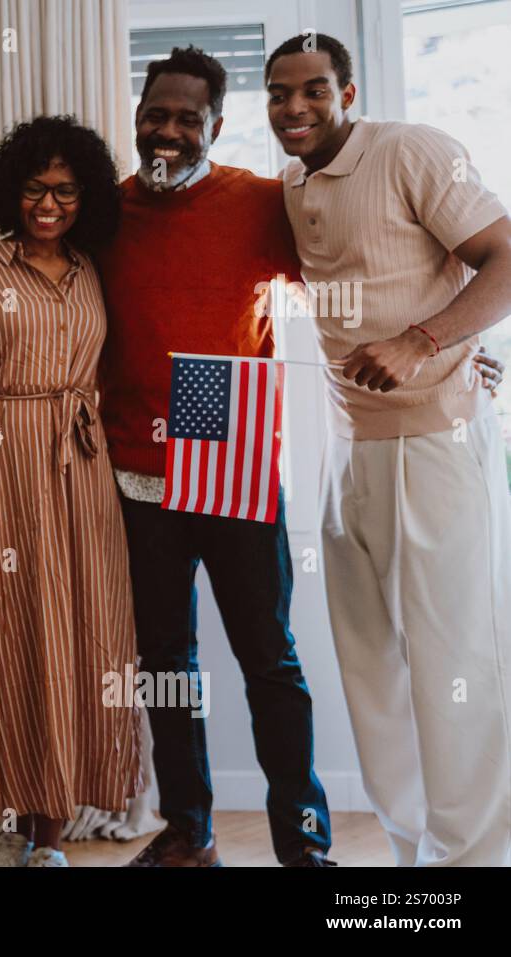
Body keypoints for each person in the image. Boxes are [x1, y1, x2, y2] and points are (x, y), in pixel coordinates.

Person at [0, 50, 336, 867]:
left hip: (235, 466)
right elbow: (19, 267)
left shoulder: (263, 203)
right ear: (138, 117)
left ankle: (304, 840)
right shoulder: (104, 218)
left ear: (218, 126)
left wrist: (437, 342)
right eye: (158, 114)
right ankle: (189, 830)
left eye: (190, 118)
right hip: (132, 474)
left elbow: (347, 269)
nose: (171, 131)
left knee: (270, 657)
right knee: (163, 664)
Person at [267, 32, 511, 866]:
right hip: (347, 452)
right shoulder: (293, 183)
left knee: (455, 662)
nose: (294, 108)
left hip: (436, 443)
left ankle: (476, 859)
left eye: (312, 90)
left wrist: (426, 340)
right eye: (278, 93)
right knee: (371, 670)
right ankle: (415, 855)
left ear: (349, 89)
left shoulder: (411, 151)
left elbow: (505, 256)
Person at [0, 116, 142, 867]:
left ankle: (45, 839)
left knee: (82, 630)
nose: (47, 203)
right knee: (4, 630)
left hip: (84, 470)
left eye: (65, 190)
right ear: (7, 192)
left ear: (85, 198)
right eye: (33, 188)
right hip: (3, 459)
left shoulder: (94, 267)